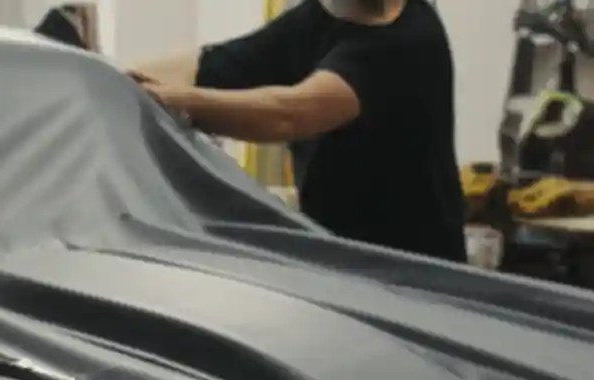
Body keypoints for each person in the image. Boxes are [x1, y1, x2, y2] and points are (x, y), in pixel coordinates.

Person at [130, 0, 467, 263]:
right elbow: (211, 65)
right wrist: (106, 75)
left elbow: (290, 113)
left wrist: (180, 100)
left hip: (419, 276)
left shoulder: (409, 40)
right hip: (345, 260)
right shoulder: (315, 20)